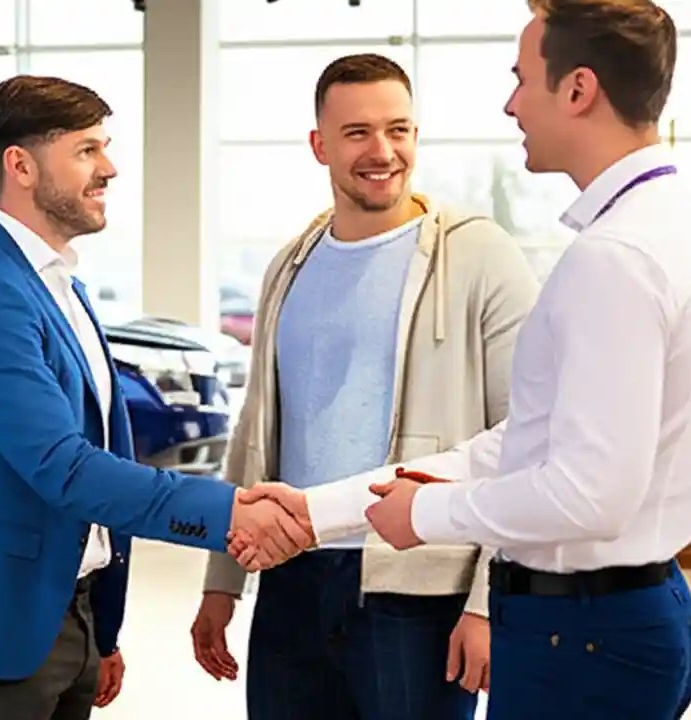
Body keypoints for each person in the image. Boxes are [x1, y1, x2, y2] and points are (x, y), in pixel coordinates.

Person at [235, 2, 691, 718]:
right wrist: (321, 511)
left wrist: (429, 512)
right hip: (600, 617)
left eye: (522, 78)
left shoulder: (616, 259)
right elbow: (525, 441)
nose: (511, 104)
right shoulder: (664, 227)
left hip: (582, 632)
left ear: (578, 90)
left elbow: (590, 495)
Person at [0, 74, 313, 720]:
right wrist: (229, 511)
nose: (109, 169)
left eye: (104, 148)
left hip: (70, 619)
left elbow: (103, 449)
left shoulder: (61, 287)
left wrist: (100, 633)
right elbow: (63, 466)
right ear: (21, 166)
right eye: (86, 150)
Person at [192, 54, 539, 720]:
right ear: (319, 144)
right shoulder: (288, 267)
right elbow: (254, 429)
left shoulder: (480, 255)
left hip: (419, 588)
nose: (382, 151)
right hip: (292, 572)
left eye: (398, 130)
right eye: (357, 133)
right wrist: (222, 582)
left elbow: (525, 440)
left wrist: (488, 602)